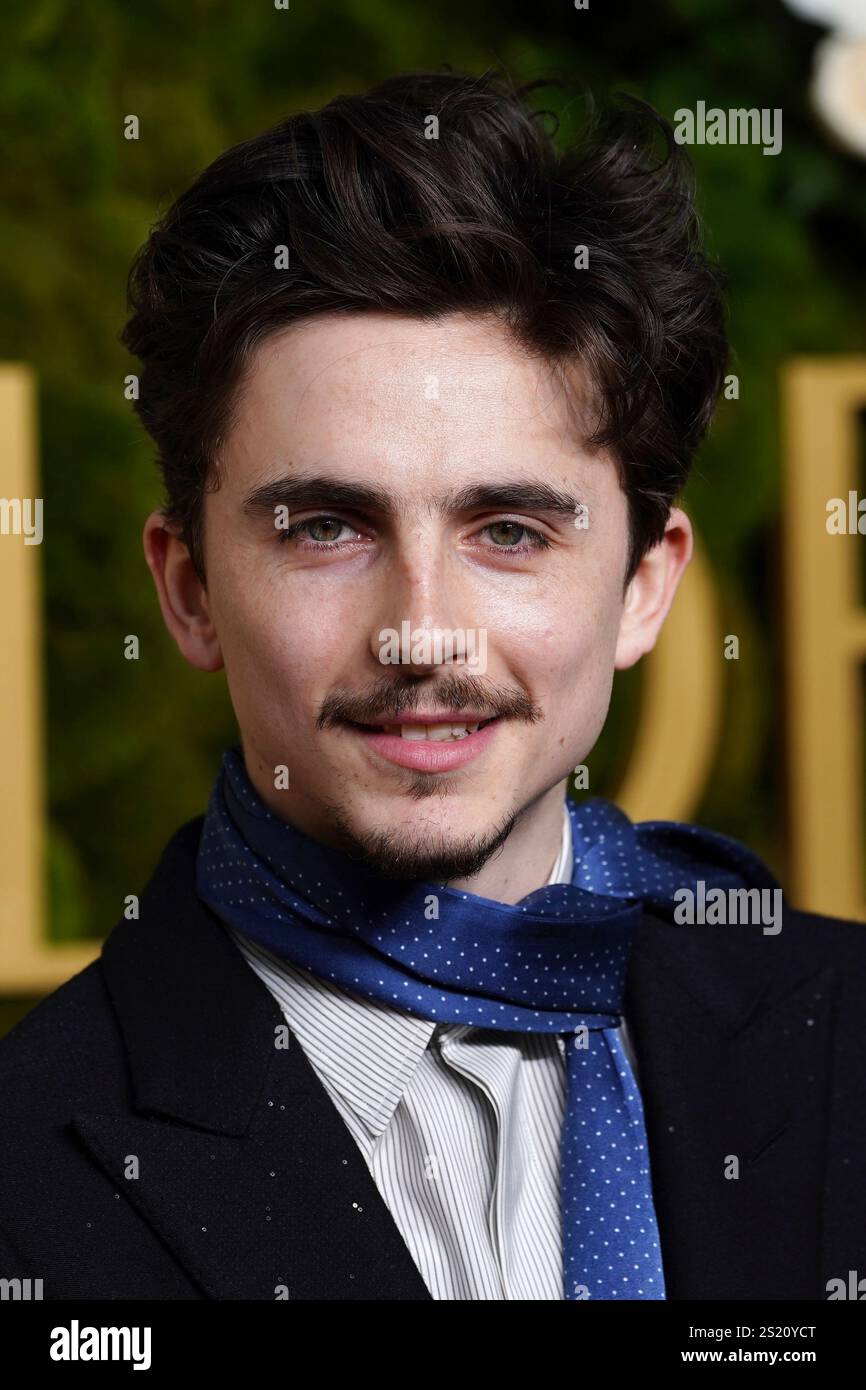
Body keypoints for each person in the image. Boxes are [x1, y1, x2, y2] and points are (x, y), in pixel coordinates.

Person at [1, 68, 863, 1302]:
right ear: (188, 590)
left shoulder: (843, 1037)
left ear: (641, 587)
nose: (420, 634)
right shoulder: (25, 1171)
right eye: (325, 529)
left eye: (507, 531)